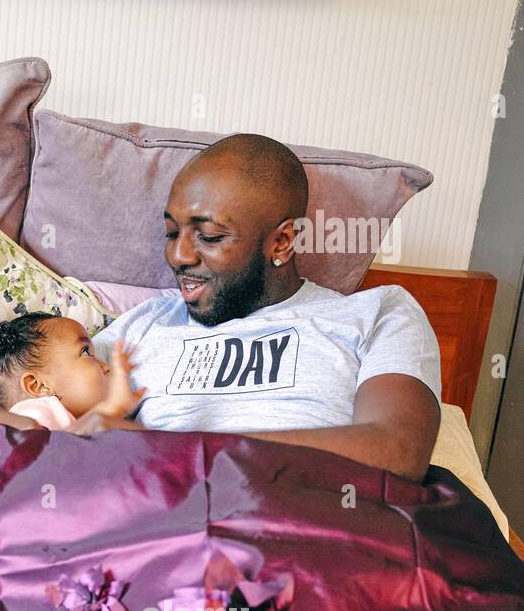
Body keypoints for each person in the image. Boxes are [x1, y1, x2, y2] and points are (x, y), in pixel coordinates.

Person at [84, 133, 442, 481]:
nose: (178, 256)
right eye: (172, 232)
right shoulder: (144, 324)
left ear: (282, 242)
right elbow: (33, 400)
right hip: (154, 516)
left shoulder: (376, 314)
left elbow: (397, 453)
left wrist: (159, 445)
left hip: (297, 522)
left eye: (209, 237)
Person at [0, 313, 143, 431]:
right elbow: (51, 454)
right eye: (86, 352)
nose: (106, 365)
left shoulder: (64, 421)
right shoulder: (34, 413)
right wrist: (113, 408)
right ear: (38, 385)